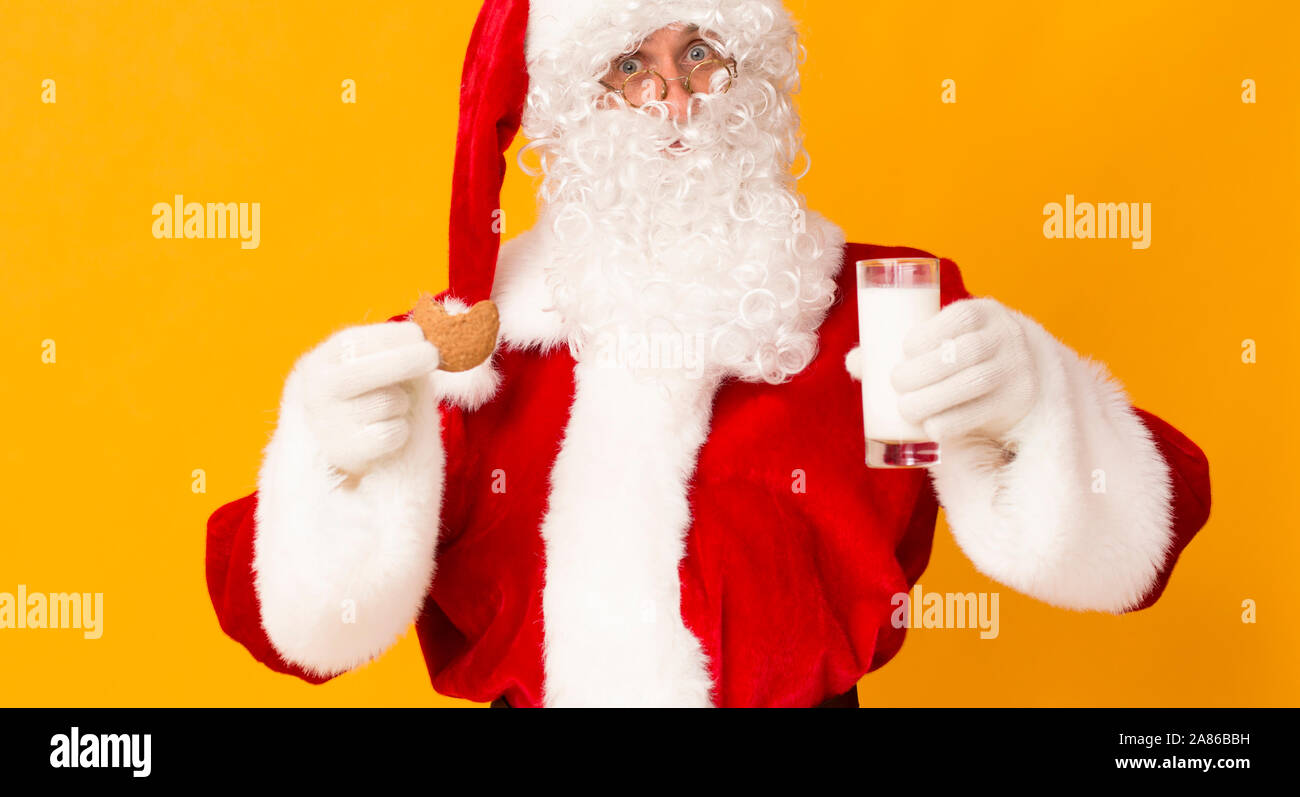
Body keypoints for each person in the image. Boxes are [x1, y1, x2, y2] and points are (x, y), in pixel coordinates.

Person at [205, 0, 1211, 708]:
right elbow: (280, 623)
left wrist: (1031, 404)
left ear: (752, 74)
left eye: (702, 54)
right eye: (628, 64)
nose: (675, 99)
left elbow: (1148, 533)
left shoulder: (886, 307)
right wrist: (327, 461)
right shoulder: (471, 345)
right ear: (568, 103)